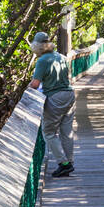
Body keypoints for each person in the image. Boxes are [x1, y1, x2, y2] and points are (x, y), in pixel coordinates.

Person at [28, 31, 76, 177]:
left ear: (36, 46)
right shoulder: (61, 57)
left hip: (55, 97)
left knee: (48, 132)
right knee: (66, 132)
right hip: (69, 95)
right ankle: (69, 162)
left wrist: (26, 91)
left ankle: (63, 163)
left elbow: (35, 84)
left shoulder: (42, 61)